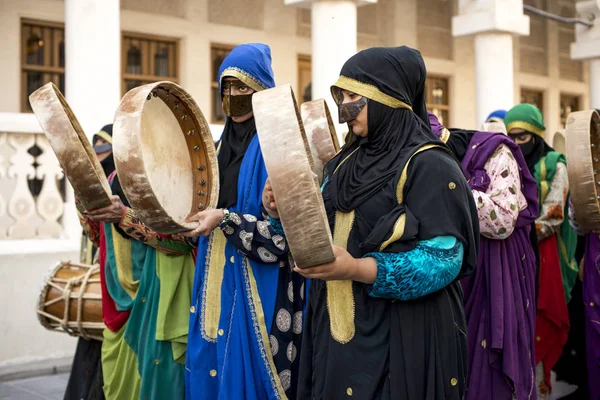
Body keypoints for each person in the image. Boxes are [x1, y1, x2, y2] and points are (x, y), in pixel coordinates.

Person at [266, 46, 479, 399]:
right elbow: (316, 231)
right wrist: (279, 210)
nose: (344, 107)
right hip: (335, 329)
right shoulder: (342, 164)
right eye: (342, 96)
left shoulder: (430, 165)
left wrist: (358, 268)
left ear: (388, 98)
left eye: (355, 96)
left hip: (405, 336)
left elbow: (444, 260)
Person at [184, 43, 305, 400]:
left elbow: (287, 238)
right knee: (212, 363)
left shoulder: (280, 147)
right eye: (227, 88)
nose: (234, 96)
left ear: (263, 92)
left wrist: (225, 218)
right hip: (214, 276)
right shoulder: (215, 150)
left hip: (262, 281)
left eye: (243, 88)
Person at [77, 129, 196, 399]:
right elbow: (98, 237)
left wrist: (124, 217)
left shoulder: (171, 179)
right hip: (117, 298)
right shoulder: (111, 180)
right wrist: (79, 188)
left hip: (162, 294)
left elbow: (183, 239)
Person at [429, 113, 539, 399]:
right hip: (449, 275)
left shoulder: (495, 152)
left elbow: (503, 220)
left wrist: (451, 185)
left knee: (486, 369)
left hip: (496, 271)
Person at [505, 103, 578, 399]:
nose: (518, 142)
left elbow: (554, 215)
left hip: (545, 255)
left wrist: (516, 230)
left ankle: (541, 386)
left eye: (523, 136)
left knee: (542, 319)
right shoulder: (506, 163)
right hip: (515, 253)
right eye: (512, 136)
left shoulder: (554, 164)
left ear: (535, 134)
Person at [63, 124, 114, 400]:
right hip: (97, 283)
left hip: (118, 288)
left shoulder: (120, 187)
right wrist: (79, 186)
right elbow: (92, 232)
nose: (98, 155)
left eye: (104, 149)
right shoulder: (97, 186)